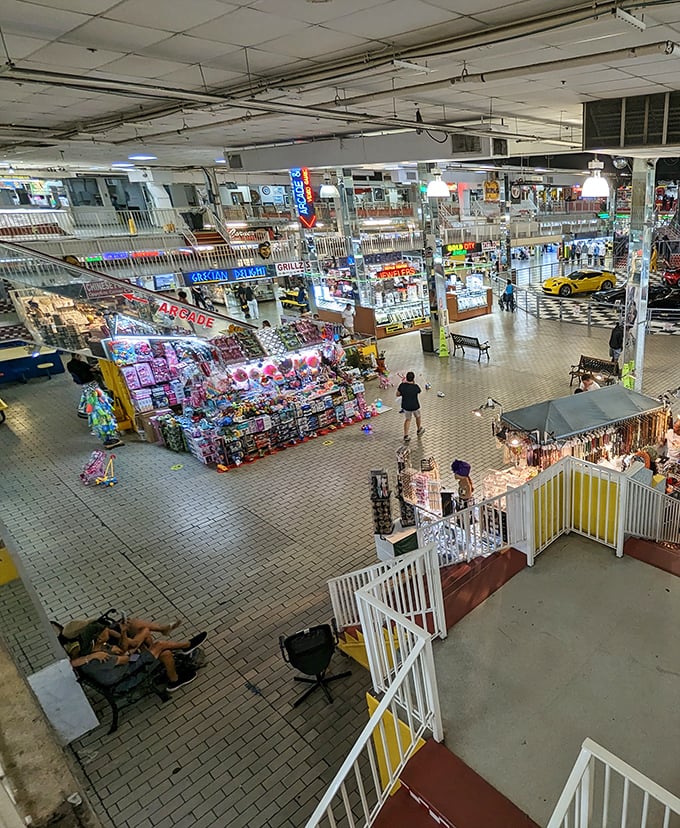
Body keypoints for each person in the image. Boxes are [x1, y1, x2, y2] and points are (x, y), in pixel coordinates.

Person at [68, 622, 204, 692]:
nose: (107, 630)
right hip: (126, 678)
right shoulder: (101, 657)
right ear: (98, 638)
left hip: (119, 671)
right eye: (104, 631)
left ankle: (176, 668)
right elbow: (126, 658)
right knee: (161, 647)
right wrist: (133, 652)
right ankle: (185, 650)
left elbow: (120, 651)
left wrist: (123, 634)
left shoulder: (95, 650)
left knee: (158, 647)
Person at [396, 371, 424, 442]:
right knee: (418, 417)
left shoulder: (402, 385)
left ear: (406, 378)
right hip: (415, 406)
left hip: (406, 406)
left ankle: (406, 435)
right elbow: (419, 391)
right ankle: (419, 429)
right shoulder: (415, 387)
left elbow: (397, 394)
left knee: (408, 420)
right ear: (413, 378)